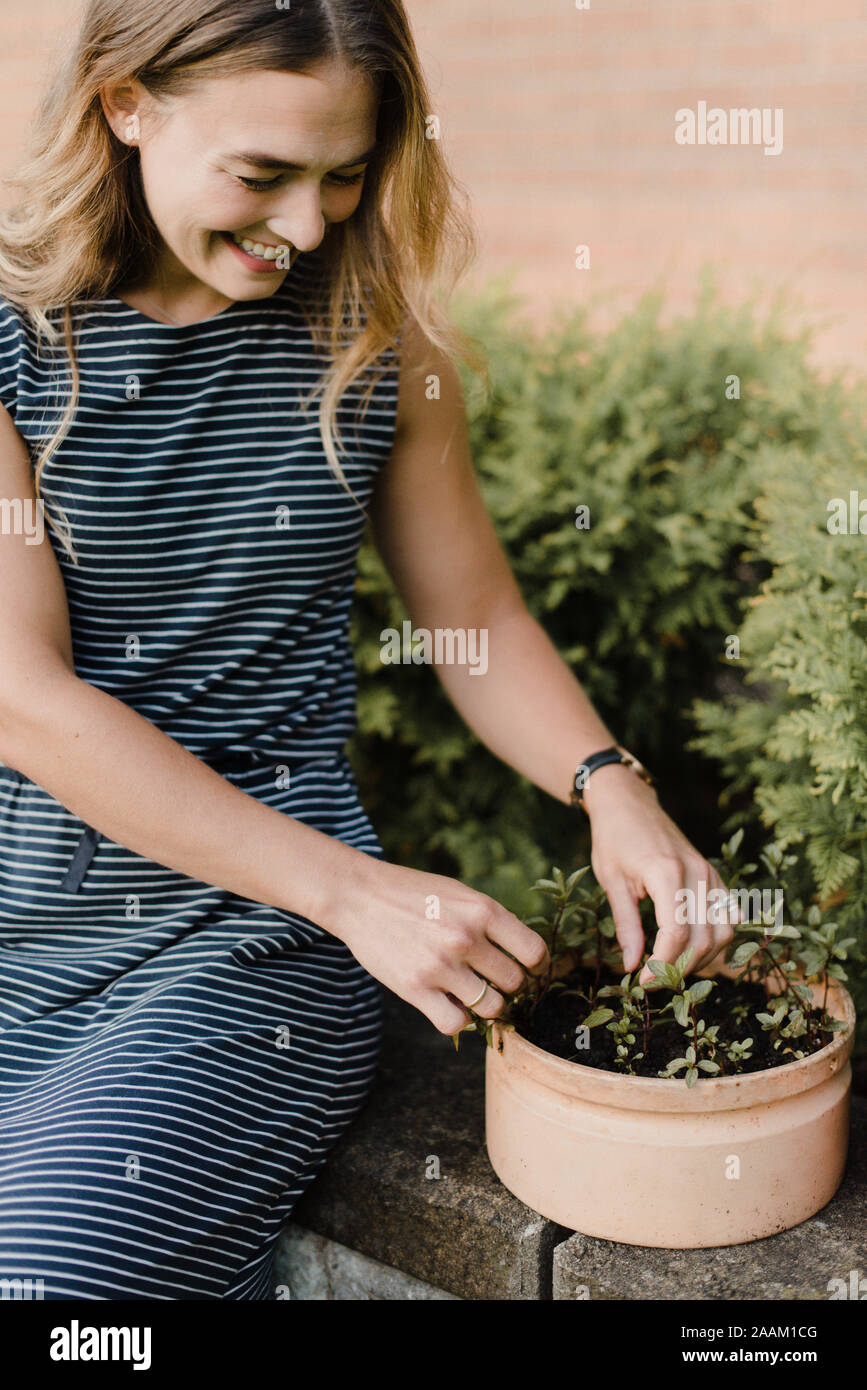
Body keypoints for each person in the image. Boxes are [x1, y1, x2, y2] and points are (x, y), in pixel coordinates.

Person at [0, 0, 735, 1299]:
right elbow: (27, 699)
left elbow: (479, 622)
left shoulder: (377, 349)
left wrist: (611, 781)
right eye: (262, 173)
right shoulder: (12, 345)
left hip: (245, 950)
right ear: (125, 103)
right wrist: (365, 892)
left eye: (345, 174)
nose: (308, 226)